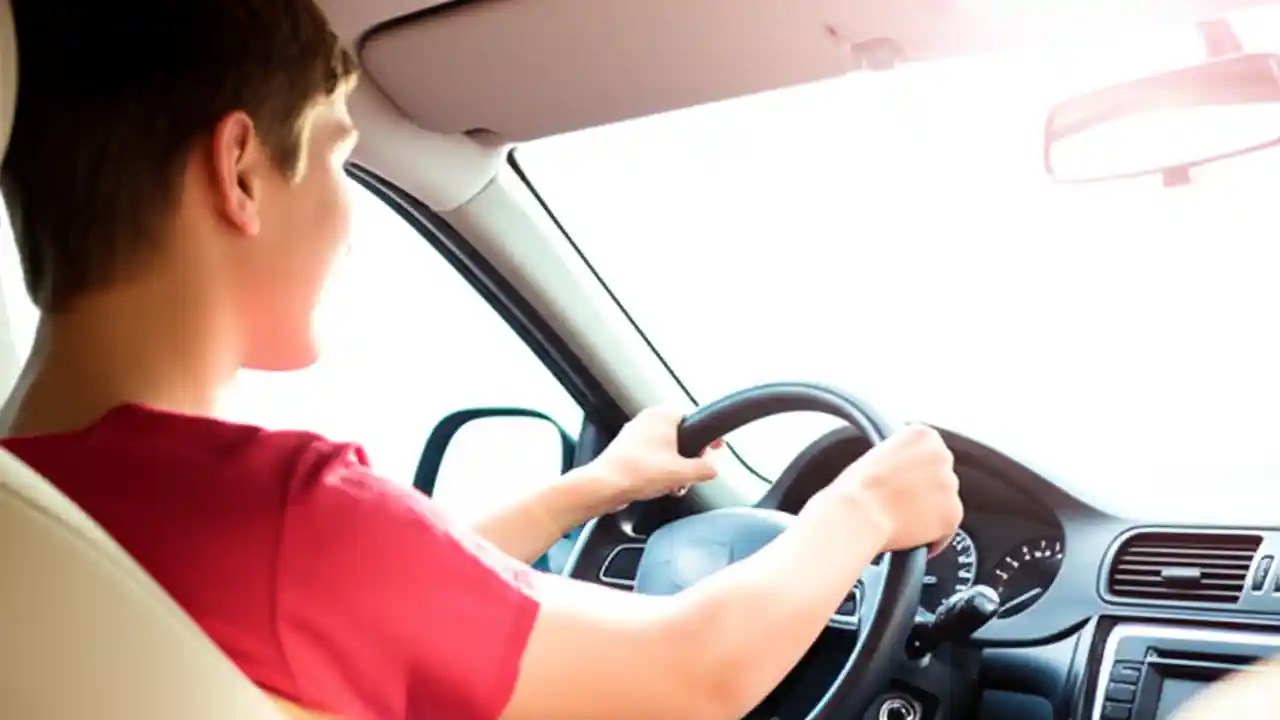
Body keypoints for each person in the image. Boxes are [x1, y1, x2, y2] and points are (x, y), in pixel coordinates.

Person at [0, 1, 963, 719]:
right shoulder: (272, 513)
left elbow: (370, 597)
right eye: (338, 158)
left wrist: (590, 488)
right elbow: (693, 673)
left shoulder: (40, 512)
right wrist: (867, 507)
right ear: (241, 170)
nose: (349, 225)